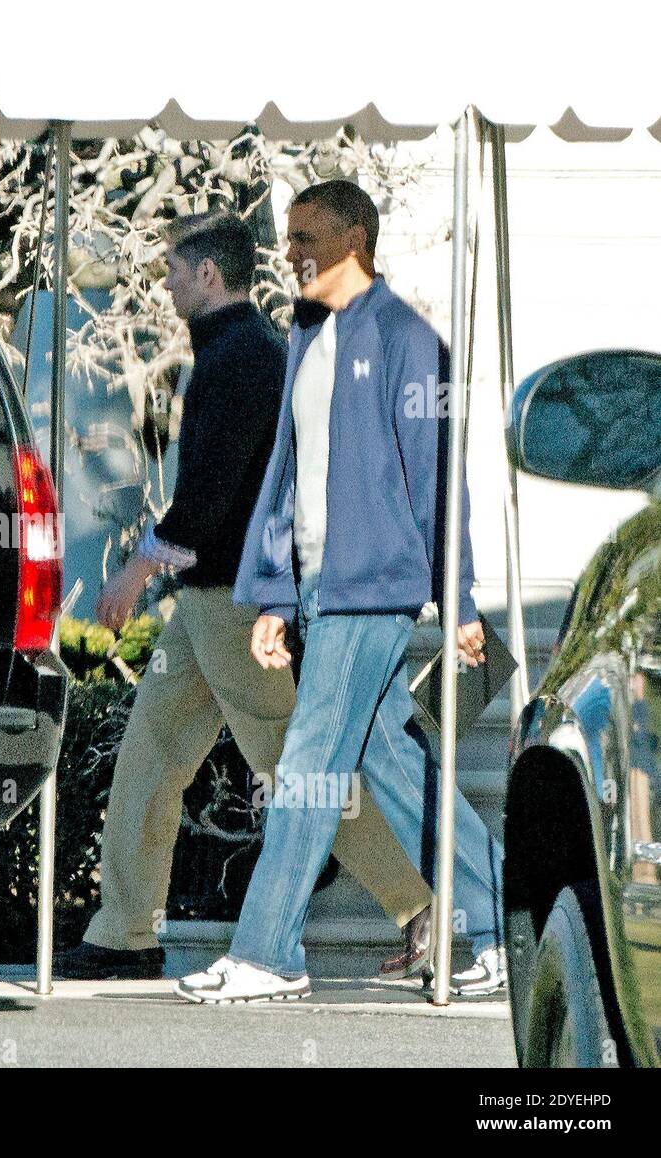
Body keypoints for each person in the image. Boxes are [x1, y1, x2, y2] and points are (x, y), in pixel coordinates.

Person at [54, 209, 434, 981]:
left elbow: (213, 495)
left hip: (233, 600)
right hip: (207, 604)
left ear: (208, 276)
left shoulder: (241, 360)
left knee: (301, 773)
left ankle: (425, 910)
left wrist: (136, 570)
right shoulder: (236, 352)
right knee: (151, 758)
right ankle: (126, 932)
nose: (161, 285)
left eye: (172, 271)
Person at [176, 180, 505, 1004]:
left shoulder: (405, 339)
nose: (289, 253)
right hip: (321, 587)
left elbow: (439, 478)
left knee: (310, 765)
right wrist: (275, 598)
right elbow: (287, 477)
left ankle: (267, 951)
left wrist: (457, 595)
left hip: (375, 586)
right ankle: (502, 917)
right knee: (393, 765)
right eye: (286, 238)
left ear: (354, 237)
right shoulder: (306, 335)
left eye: (305, 236)